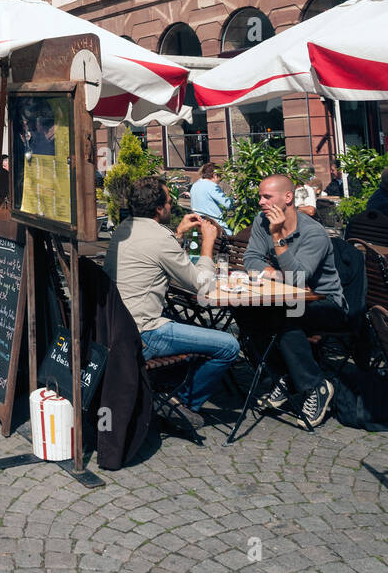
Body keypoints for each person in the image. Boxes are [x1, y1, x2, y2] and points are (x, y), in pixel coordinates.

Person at [104, 175, 239, 429]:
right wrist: (208, 244)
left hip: (119, 327)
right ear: (158, 208)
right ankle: (181, 403)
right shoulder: (159, 238)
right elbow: (202, 286)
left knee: (188, 324)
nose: (170, 206)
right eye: (168, 202)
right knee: (229, 345)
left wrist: (176, 232)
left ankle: (175, 389)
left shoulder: (124, 228)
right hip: (145, 333)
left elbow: (155, 255)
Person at [241, 174, 347, 428]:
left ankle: (316, 387)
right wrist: (277, 275)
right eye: (260, 196)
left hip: (326, 303)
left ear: (287, 198)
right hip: (289, 299)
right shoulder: (261, 220)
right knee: (246, 313)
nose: (260, 202)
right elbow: (251, 259)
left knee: (286, 316)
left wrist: (277, 238)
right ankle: (283, 376)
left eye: (267, 197)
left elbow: (299, 280)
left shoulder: (313, 233)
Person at [189, 162, 233, 234]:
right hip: (215, 227)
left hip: (199, 225)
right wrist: (234, 198)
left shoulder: (195, 184)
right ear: (215, 175)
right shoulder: (212, 186)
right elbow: (228, 205)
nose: (219, 181)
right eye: (220, 177)